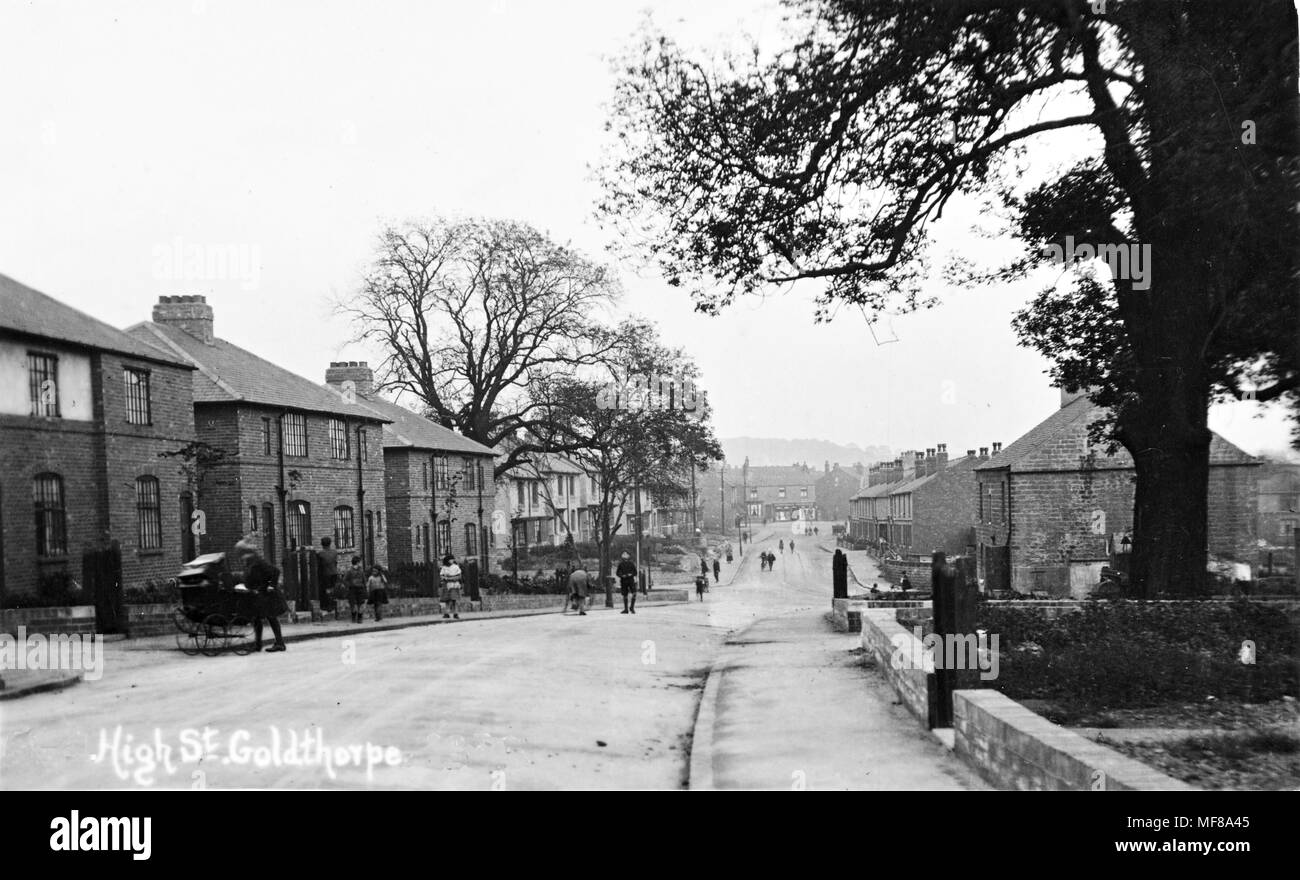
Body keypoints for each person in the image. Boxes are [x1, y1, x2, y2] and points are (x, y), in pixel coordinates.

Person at [235, 535, 287, 653]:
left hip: (267, 594)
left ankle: (280, 643)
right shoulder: (250, 561)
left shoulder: (257, 561)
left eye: (240, 552)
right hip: (259, 594)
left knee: (271, 617)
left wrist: (271, 585)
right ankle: (258, 645)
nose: (239, 555)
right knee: (257, 618)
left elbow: (275, 571)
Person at [316, 537, 339, 617]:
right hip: (334, 573)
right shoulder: (335, 552)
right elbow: (335, 563)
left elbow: (319, 566)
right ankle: (332, 605)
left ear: (322, 544)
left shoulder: (320, 554)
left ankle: (327, 607)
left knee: (325, 590)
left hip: (325, 574)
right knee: (332, 589)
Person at [343, 555, 367, 623]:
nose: (360, 563)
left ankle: (358, 618)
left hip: (359, 588)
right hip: (353, 589)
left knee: (360, 604)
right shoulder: (350, 571)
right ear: (357, 562)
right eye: (359, 562)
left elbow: (364, 579)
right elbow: (345, 580)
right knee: (354, 604)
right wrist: (349, 585)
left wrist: (364, 587)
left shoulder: (360, 570)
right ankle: (355, 617)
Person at [440, 555, 463, 619]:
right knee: (447, 600)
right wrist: (444, 578)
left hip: (454, 585)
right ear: (447, 560)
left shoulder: (456, 567)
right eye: (451, 559)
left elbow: (459, 576)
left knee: (454, 600)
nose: (452, 561)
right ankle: (446, 613)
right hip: (447, 585)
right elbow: (441, 576)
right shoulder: (444, 568)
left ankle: (455, 613)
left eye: (453, 559)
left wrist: (451, 578)